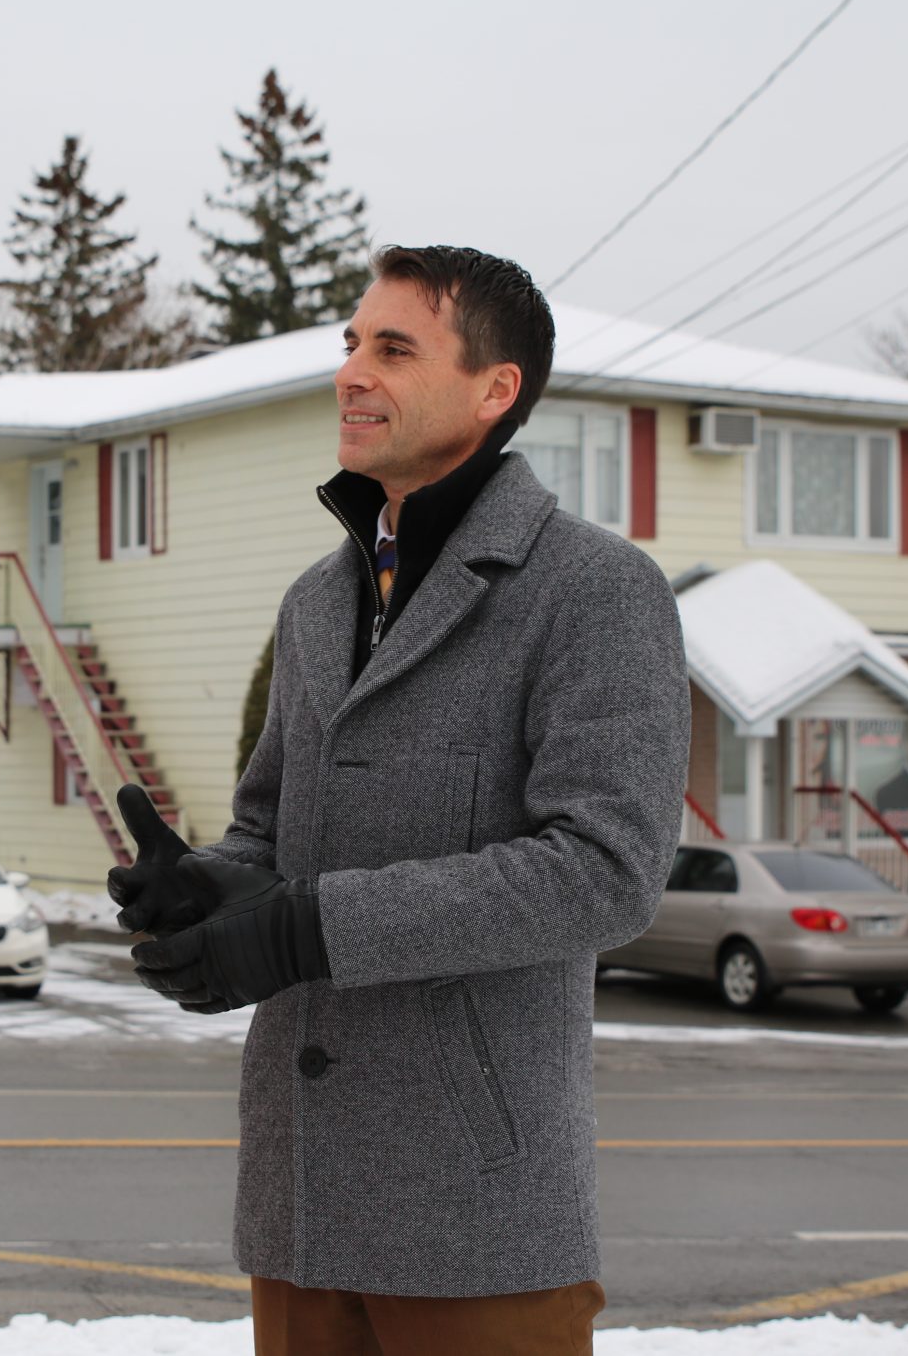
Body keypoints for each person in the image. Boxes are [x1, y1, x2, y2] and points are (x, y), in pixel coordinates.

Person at [111, 245, 690, 1355]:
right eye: (348, 346)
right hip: (301, 1201)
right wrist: (210, 889)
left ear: (493, 388)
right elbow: (273, 832)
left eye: (392, 348)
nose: (350, 374)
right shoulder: (317, 602)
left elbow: (604, 872)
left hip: (477, 1216)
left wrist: (304, 929)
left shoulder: (595, 592)